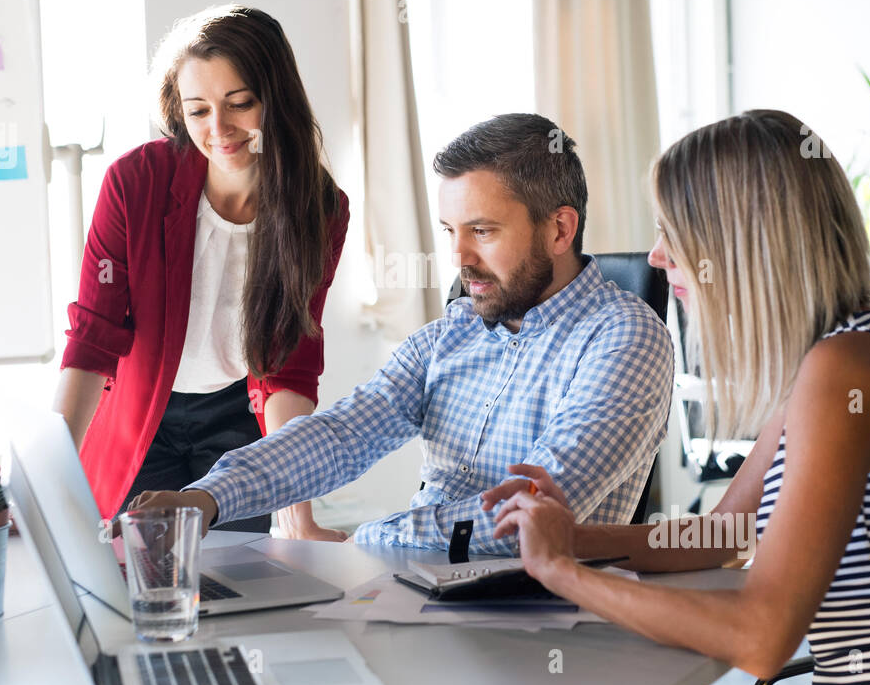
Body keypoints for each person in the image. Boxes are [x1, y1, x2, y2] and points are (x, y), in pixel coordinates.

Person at [483, 109, 870, 685]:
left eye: (672, 230)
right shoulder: (841, 352)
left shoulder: (844, 373)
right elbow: (723, 535)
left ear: (742, 240)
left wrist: (561, 572)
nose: (656, 257)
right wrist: (575, 538)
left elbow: (763, 638)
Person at [131, 113, 674, 555]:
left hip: (530, 626)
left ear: (559, 228)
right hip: (414, 591)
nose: (460, 258)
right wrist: (206, 498)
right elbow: (342, 436)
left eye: (482, 231)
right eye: (450, 233)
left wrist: (368, 543)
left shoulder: (623, 339)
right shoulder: (451, 336)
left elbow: (533, 517)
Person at [52, 5, 350, 540]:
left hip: (239, 421)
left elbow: (289, 366)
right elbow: (93, 339)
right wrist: (50, 475)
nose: (219, 130)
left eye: (240, 104)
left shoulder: (318, 209)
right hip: (142, 416)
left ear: (275, 102)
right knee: (143, 574)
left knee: (237, 584)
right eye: (198, 111)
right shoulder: (135, 183)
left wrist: (298, 513)